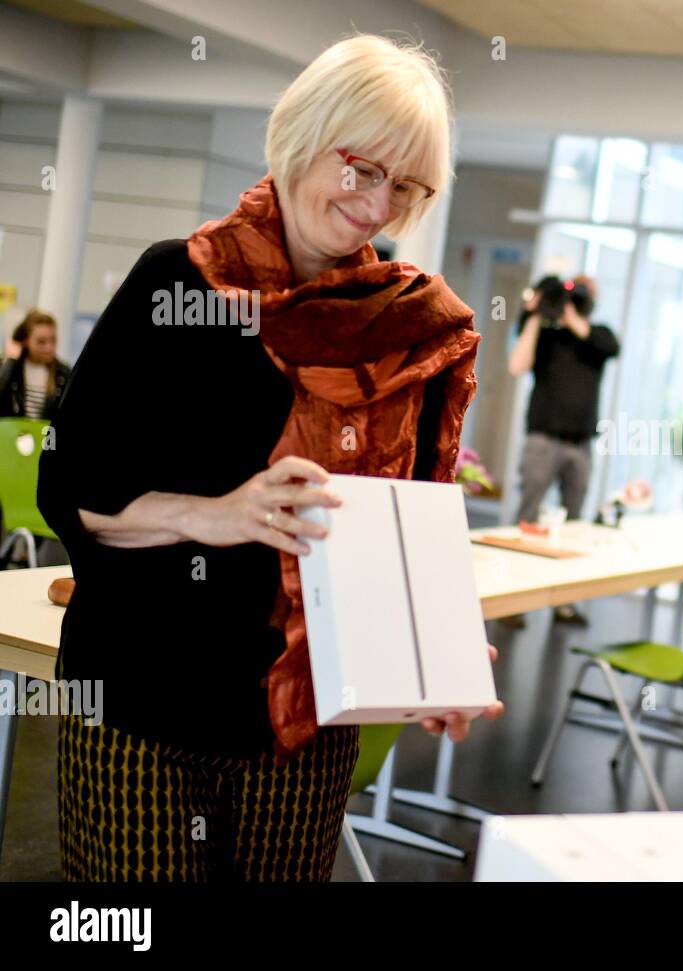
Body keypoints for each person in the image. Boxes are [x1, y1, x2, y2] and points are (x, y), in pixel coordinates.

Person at [36, 34, 503, 882]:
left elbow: (407, 521)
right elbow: (70, 483)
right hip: (144, 699)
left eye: (405, 186)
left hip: (307, 720)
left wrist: (429, 647)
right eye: (361, 168)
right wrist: (218, 513)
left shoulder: (409, 326)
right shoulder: (178, 282)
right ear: (301, 134)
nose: (376, 205)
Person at [506, 273, 619, 626]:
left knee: (574, 525)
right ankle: (514, 600)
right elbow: (516, 366)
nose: (576, 297)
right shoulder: (545, 336)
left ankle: (564, 603)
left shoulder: (599, 336)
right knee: (527, 517)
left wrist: (569, 315)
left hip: (580, 445)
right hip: (543, 439)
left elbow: (607, 347)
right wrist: (539, 313)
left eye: (583, 292)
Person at [1, 309, 70, 419]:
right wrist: (11, 361)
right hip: (11, 433)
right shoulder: (11, 367)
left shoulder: (62, 373)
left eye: (53, 340)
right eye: (41, 342)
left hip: (47, 435)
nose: (49, 347)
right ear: (26, 341)